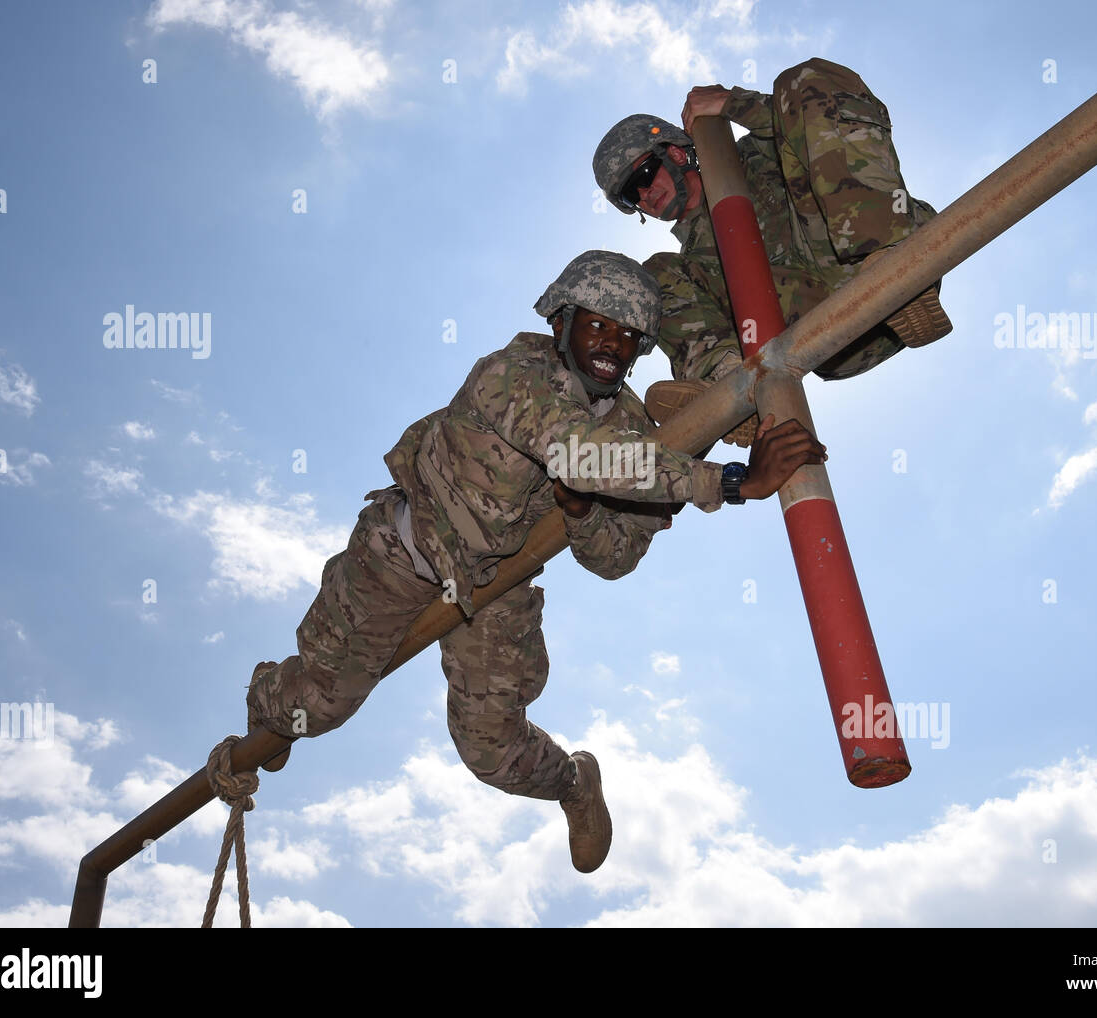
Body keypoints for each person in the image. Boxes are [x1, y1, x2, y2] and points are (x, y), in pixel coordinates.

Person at [245, 250, 828, 873]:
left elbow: (615, 559)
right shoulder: (512, 372)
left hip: (497, 584)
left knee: (492, 751)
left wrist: (581, 513)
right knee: (317, 709)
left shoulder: (632, 431)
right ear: (562, 322)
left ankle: (575, 783)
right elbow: (579, 454)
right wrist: (733, 482)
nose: (613, 344)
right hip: (402, 551)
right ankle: (267, 700)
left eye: (630, 335)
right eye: (598, 325)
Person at [593, 58, 952, 443]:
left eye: (644, 175)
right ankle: (731, 386)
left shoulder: (757, 155)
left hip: (864, 259)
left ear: (676, 154)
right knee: (650, 274)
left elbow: (812, 110)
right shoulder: (689, 271)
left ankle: (889, 259)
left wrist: (733, 103)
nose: (645, 194)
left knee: (802, 80)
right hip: (830, 335)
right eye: (632, 194)